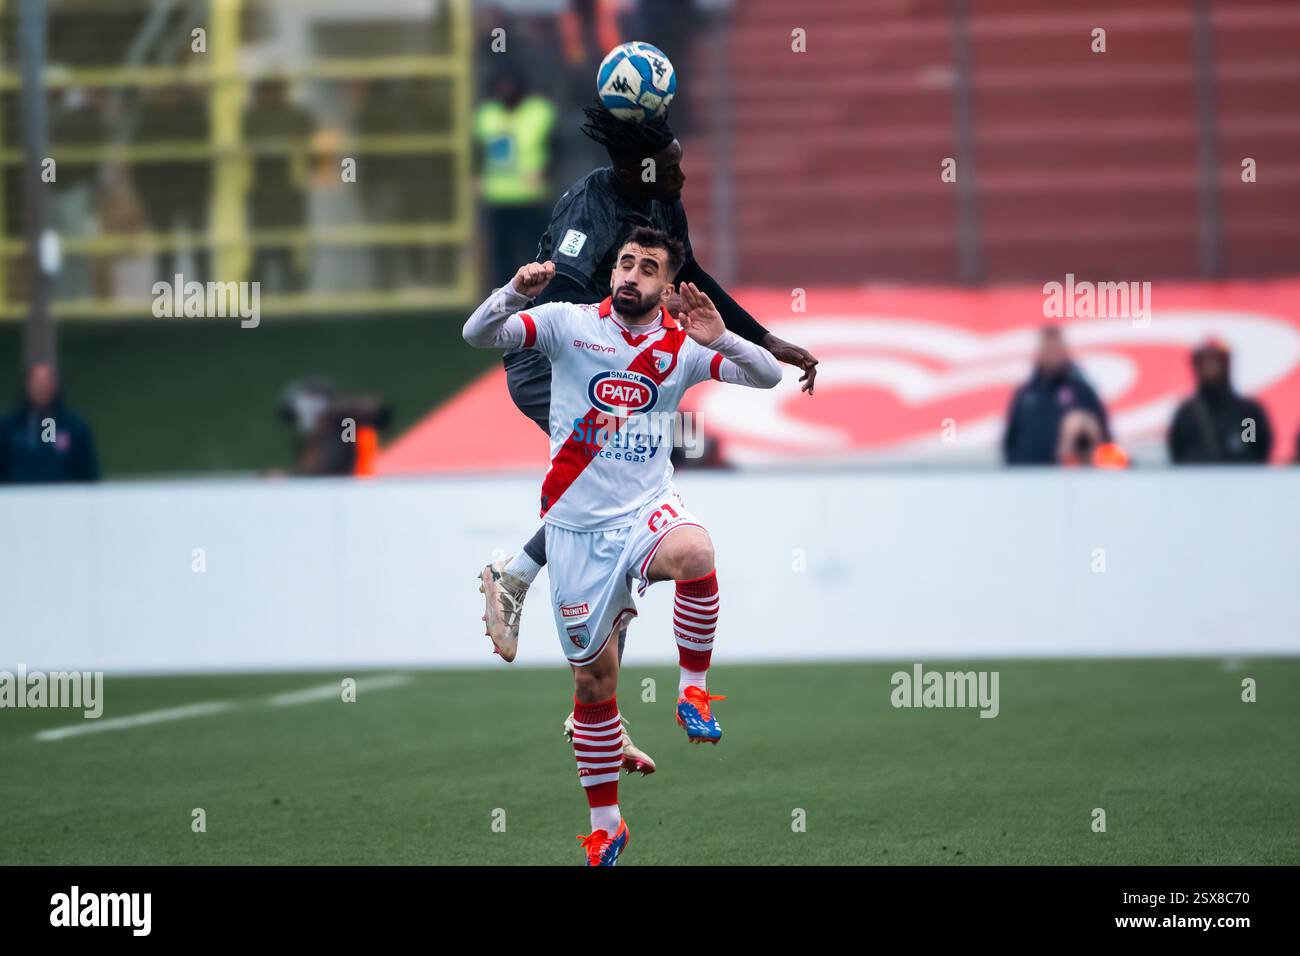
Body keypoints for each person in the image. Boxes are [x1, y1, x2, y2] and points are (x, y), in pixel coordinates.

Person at [463, 229, 782, 865]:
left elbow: (768, 376)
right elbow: (478, 335)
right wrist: (510, 294)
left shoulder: (682, 345)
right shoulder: (564, 323)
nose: (632, 275)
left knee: (695, 553)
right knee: (592, 685)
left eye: (648, 269)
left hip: (646, 510)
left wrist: (720, 337)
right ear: (613, 272)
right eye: (626, 264)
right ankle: (608, 824)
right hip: (575, 532)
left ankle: (693, 691)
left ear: (668, 286)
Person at [477, 105, 817, 662]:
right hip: (552, 362)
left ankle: (523, 581)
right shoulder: (591, 213)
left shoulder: (662, 198)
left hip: (617, 366)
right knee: (620, 476)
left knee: (631, 482)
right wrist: (632, 351)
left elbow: (693, 277)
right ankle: (519, 581)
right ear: (642, 170)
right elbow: (563, 305)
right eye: (673, 166)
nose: (683, 176)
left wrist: (763, 339)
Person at [474, 70, 558, 291]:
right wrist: (476, 177)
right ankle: (503, 301)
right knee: (502, 257)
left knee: (536, 253)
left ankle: (538, 298)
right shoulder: (486, 115)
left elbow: (557, 147)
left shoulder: (539, 112)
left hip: (532, 198)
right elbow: (475, 151)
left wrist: (547, 172)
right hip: (499, 198)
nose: (506, 91)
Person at [1002, 326, 1110, 465]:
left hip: (1073, 479)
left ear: (1065, 351)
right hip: (1028, 478)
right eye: (1048, 348)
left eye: (1056, 348)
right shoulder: (1024, 395)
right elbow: (1010, 443)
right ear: (1040, 352)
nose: (1052, 354)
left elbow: (1103, 439)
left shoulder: (1083, 392)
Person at [1168, 338, 1273, 464]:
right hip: (1196, 481)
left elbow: (1253, 451)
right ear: (1197, 366)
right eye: (1205, 362)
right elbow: (1178, 452)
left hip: (1240, 480)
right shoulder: (1187, 414)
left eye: (1216, 361)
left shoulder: (1248, 414)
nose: (1211, 367)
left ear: (1226, 364)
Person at [0, 362, 100, 484]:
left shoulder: (74, 426)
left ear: (55, 385)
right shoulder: (10, 427)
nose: (41, 388)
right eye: (37, 383)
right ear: (28, 386)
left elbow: (88, 471)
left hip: (65, 498)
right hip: (17, 498)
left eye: (46, 383)